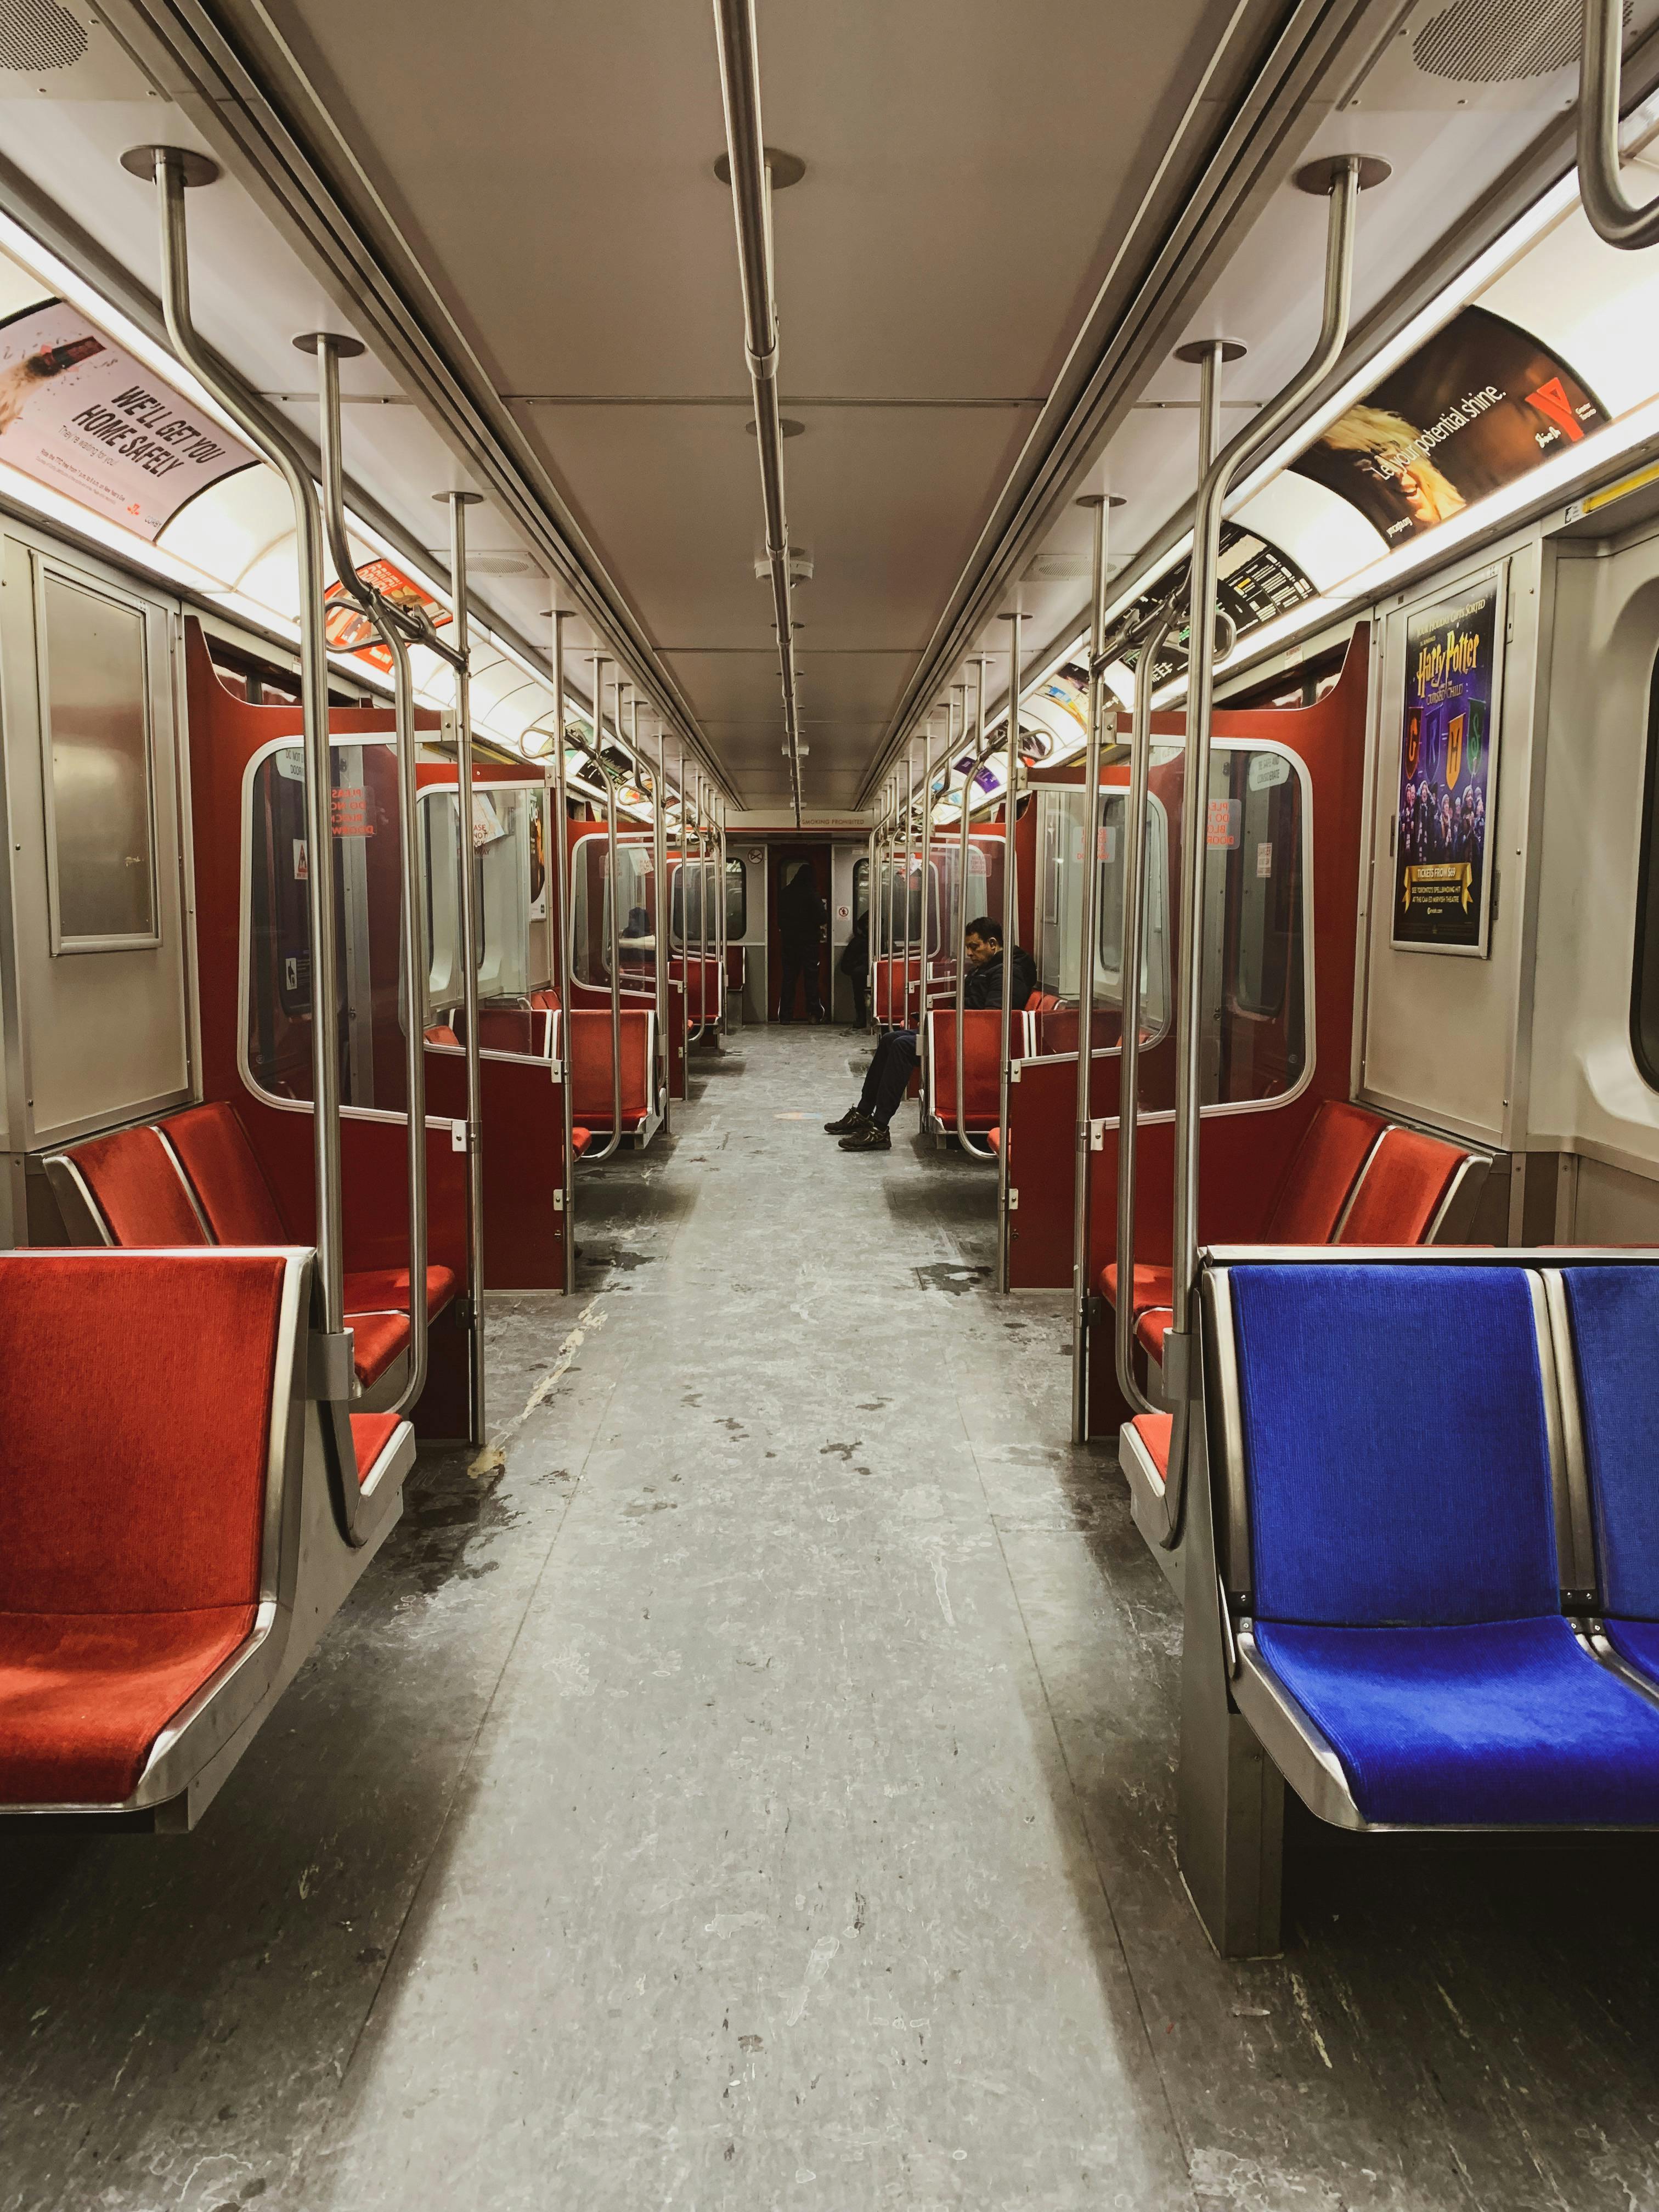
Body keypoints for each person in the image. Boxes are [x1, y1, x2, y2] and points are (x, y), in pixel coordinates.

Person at [825, 916, 1036, 1152]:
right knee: (889, 1039)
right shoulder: (987, 968)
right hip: (959, 1032)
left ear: (993, 944)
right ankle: (864, 1112)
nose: (969, 953)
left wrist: (945, 1022)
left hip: (976, 1044)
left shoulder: (1008, 974)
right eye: (967, 947)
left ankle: (880, 1127)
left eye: (974, 947)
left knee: (903, 1047)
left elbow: (992, 1021)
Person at [777, 860, 827, 1022]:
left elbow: (779, 920)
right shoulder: (812, 894)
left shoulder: (785, 893)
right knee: (811, 979)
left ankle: (786, 1015)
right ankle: (813, 1014)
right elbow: (822, 918)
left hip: (789, 943)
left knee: (789, 978)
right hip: (809, 943)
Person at [839, 911, 870, 1029]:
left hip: (882, 975)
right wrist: (859, 964)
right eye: (867, 924)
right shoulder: (857, 943)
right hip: (861, 976)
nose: (869, 927)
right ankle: (861, 1017)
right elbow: (845, 966)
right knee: (858, 976)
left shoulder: (883, 940)